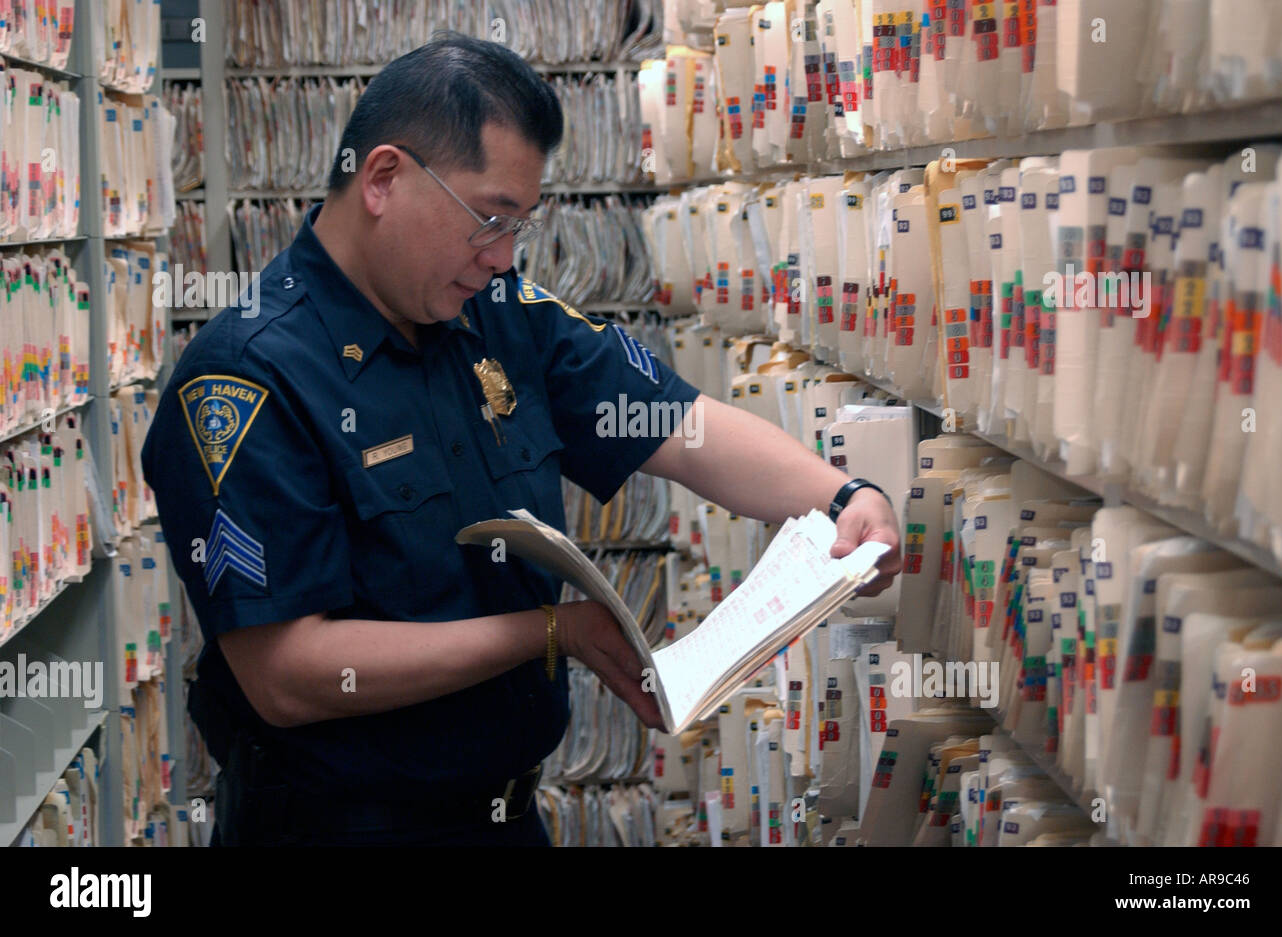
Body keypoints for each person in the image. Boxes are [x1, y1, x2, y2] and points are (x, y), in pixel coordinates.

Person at [141, 32, 900, 847]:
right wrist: (548, 632)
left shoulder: (500, 314)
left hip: (504, 818)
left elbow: (679, 428)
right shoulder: (247, 376)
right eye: (487, 219)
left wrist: (843, 497)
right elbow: (285, 674)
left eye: (519, 226)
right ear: (384, 179)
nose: (501, 256)